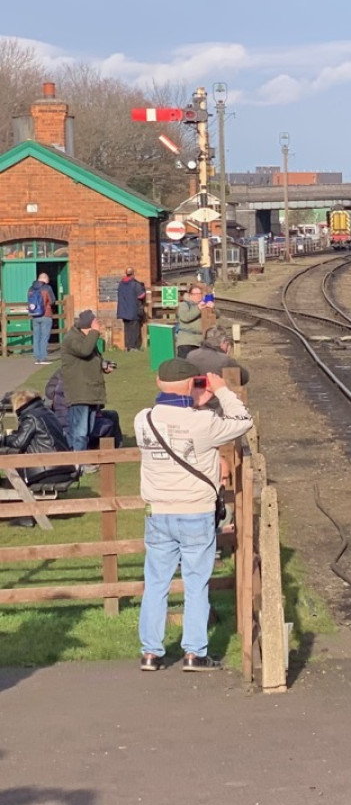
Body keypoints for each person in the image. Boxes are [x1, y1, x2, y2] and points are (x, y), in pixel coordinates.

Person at [134, 358, 253, 672]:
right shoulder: (203, 423)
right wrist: (222, 392)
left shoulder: (142, 419)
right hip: (195, 512)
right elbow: (242, 420)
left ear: (159, 383)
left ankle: (151, 652)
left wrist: (193, 402)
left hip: (157, 511)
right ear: (192, 385)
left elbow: (174, 423)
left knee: (156, 582)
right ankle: (194, 652)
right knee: (196, 583)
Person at [0, 389, 78, 492]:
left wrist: (3, 439)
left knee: (12, 472)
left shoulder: (30, 417)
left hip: (48, 471)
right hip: (60, 467)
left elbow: (18, 443)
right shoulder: (45, 412)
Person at [59, 310, 109, 456]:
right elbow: (85, 351)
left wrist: (104, 365)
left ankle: (83, 458)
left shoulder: (86, 338)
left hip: (90, 391)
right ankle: (78, 460)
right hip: (79, 392)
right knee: (79, 431)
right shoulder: (72, 339)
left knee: (88, 430)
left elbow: (93, 358)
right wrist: (95, 331)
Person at [116, 268, 149, 350]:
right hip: (133, 310)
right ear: (133, 274)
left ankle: (127, 346)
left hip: (123, 311)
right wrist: (143, 290)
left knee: (127, 330)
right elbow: (141, 295)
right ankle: (134, 347)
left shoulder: (121, 284)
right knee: (134, 330)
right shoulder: (135, 284)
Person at [25, 272, 54, 363]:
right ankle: (43, 357)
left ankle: (37, 358)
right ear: (45, 279)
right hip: (46, 314)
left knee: (36, 336)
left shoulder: (31, 288)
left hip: (35, 315)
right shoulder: (47, 288)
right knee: (44, 337)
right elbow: (52, 301)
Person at [175, 284, 205, 358]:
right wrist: (198, 308)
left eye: (199, 294)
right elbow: (185, 317)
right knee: (185, 366)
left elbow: (217, 314)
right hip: (187, 342)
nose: (198, 296)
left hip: (200, 342)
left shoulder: (204, 305)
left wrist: (211, 307)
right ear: (190, 295)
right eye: (195, 294)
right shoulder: (184, 305)